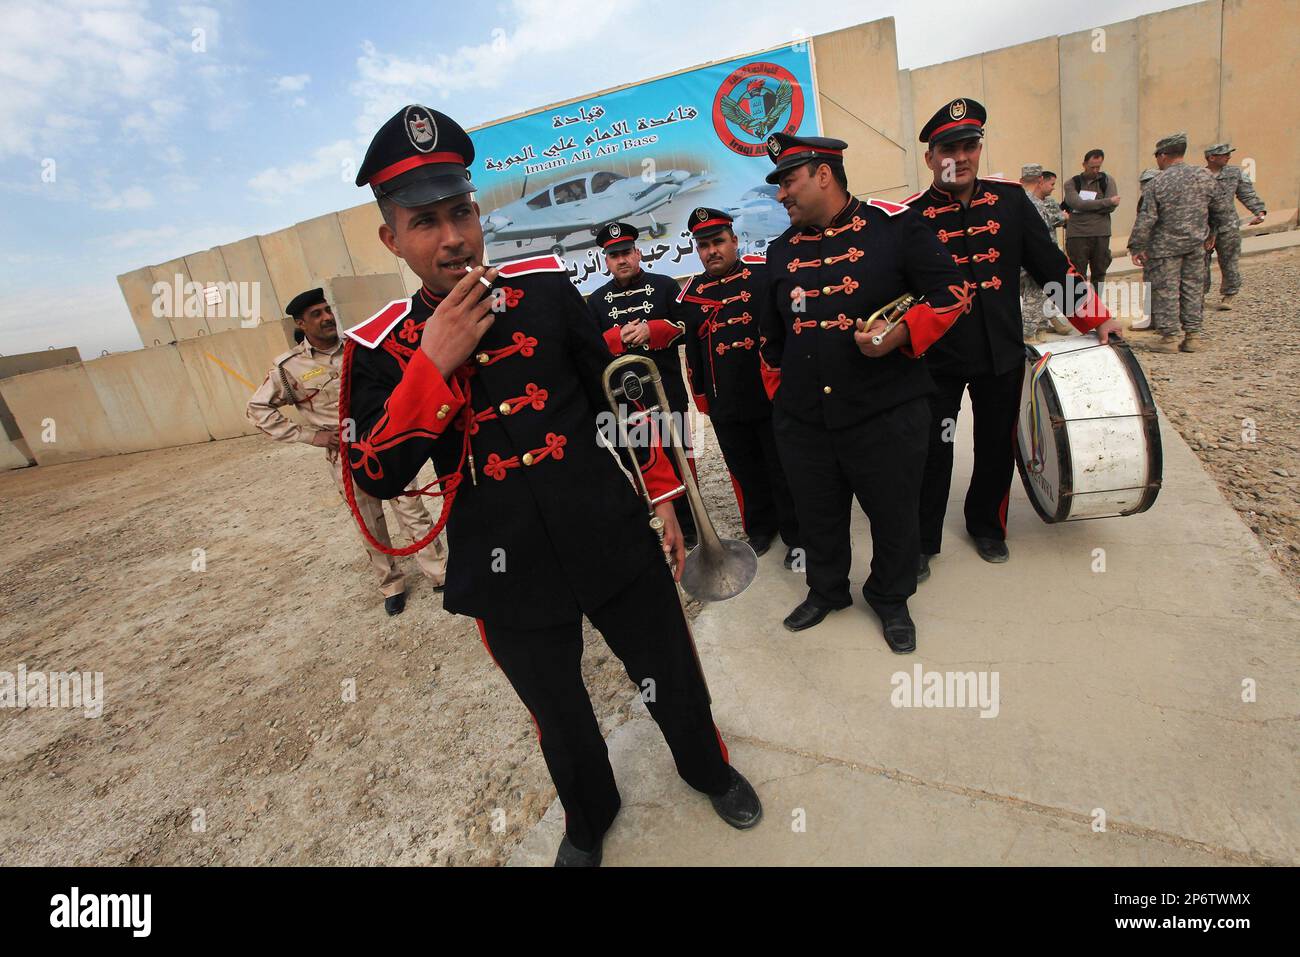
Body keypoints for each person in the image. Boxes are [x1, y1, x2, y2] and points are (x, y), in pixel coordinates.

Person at [341, 105, 761, 866]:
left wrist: (664, 494)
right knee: (558, 712)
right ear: (391, 237)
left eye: (462, 212)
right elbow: (376, 470)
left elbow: (618, 393)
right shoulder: (381, 348)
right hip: (503, 567)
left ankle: (709, 768)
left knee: (669, 670)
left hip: (606, 526)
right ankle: (589, 815)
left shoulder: (542, 291)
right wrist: (430, 362)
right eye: (426, 221)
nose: (453, 237)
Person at [759, 130, 973, 653]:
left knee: (894, 512)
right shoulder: (779, 251)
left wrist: (900, 334)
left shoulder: (894, 228)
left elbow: (953, 292)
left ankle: (890, 597)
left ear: (823, 175)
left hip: (887, 410)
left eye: (789, 181)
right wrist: (784, 406)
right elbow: (771, 340)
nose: (781, 194)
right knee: (817, 514)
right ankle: (826, 589)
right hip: (806, 419)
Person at [903, 98, 1120, 577]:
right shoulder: (910, 217)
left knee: (996, 444)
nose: (957, 158)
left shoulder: (1009, 202)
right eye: (946, 149)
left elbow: (1050, 266)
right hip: (935, 359)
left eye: (967, 146)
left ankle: (986, 526)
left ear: (978, 150)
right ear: (929, 158)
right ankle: (921, 540)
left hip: (999, 352)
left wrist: (1095, 318)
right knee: (932, 449)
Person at [246, 287, 447, 616]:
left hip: (381, 442)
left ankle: (439, 572)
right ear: (301, 323)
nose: (326, 318)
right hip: (343, 452)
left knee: (411, 507)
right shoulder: (290, 368)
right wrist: (312, 436)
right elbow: (257, 409)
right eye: (316, 315)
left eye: (327, 311)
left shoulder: (362, 348)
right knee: (369, 521)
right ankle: (391, 585)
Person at [676, 206, 800, 565]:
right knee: (742, 467)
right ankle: (761, 527)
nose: (712, 250)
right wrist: (701, 398)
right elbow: (694, 354)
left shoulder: (762, 276)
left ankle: (796, 532)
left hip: (767, 394)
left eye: (718, 242)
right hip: (723, 398)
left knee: (782, 466)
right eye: (704, 245)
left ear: (734, 240)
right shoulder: (691, 295)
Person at [587, 222, 698, 548]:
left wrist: (654, 330)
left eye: (626, 253)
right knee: (645, 462)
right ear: (605, 261)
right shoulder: (595, 302)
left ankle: (691, 525)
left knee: (681, 459)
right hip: (626, 403)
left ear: (638, 253)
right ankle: (661, 524)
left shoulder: (665, 287)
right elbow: (588, 349)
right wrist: (616, 338)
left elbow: (688, 326)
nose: (621, 260)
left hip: (666, 395)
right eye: (613, 256)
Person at [1128, 132, 1235, 354]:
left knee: (1166, 290)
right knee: (1193, 288)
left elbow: (1146, 217)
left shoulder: (1158, 182)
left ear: (1164, 155)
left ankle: (1169, 339)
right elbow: (1222, 211)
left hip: (1164, 248)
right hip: (1196, 245)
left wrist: (1137, 246)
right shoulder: (1204, 177)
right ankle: (1193, 336)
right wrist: (1211, 232)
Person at [1203, 142, 1267, 310]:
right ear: (1211, 157)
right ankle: (1198, 296)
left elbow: (1247, 194)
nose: (1229, 157)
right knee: (1199, 263)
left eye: (1228, 154)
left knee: (1229, 261)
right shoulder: (1199, 175)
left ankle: (1229, 295)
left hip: (1228, 226)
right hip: (1203, 228)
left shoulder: (1235, 173)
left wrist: (1259, 211)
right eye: (1224, 154)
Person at [1019, 164, 1071, 340]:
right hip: (1036, 259)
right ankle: (1028, 337)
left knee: (1031, 297)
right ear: (1040, 180)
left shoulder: (1014, 201)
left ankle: (1040, 329)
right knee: (1033, 298)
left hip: (1019, 259)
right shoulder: (1035, 204)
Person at [1063, 148, 1120, 292]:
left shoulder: (1107, 181)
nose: (1095, 170)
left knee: (1099, 272)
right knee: (1077, 274)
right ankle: (1077, 307)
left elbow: (1112, 208)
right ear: (1084, 164)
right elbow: (1077, 204)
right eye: (1092, 167)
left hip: (1100, 233)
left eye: (1098, 167)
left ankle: (1096, 306)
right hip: (1077, 234)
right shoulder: (1072, 183)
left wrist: (1087, 207)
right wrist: (1107, 202)